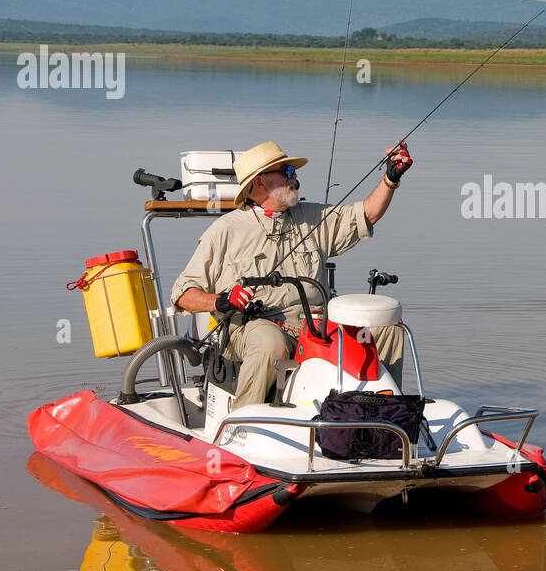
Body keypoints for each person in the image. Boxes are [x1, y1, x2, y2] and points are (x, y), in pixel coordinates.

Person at [171, 139, 412, 409]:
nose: (294, 176)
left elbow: (365, 215)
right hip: (254, 328)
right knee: (269, 343)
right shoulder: (225, 230)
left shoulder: (310, 215)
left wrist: (390, 178)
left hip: (316, 325)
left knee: (386, 329)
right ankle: (244, 423)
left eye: (293, 171)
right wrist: (220, 301)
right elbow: (183, 295)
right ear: (259, 182)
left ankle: (385, 416)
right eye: (286, 172)